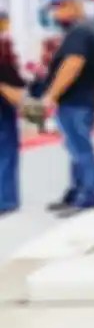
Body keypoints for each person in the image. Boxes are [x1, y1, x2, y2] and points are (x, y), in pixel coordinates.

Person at [42, 0, 94, 213]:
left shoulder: (80, 32)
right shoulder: (89, 30)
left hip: (76, 100)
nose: (55, 15)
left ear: (71, 7)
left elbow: (73, 64)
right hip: (81, 100)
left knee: (80, 148)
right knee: (75, 148)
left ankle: (88, 193)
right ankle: (76, 191)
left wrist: (51, 95)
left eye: (57, 9)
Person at [0, 11, 26, 216]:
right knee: (6, 153)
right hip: (3, 109)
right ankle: (5, 199)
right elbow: (10, 82)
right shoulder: (3, 49)